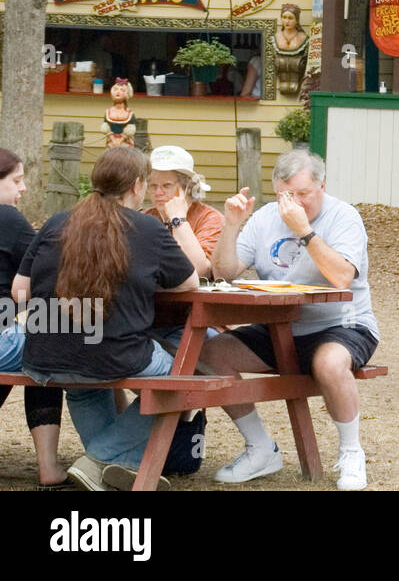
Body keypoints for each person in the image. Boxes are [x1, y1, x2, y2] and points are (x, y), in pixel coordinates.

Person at [17, 147, 198, 491]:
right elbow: (189, 282)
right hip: (114, 354)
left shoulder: (57, 221)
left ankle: (108, 466)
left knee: (84, 388)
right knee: (183, 382)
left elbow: (20, 290)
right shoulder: (148, 229)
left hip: (45, 355)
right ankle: (100, 459)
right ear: (137, 185)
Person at [204, 150, 380, 490]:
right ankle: (260, 448)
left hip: (343, 324)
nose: (293, 203)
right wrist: (232, 224)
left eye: (302, 194)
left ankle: (351, 452)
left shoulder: (343, 217)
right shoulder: (266, 218)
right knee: (211, 353)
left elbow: (342, 277)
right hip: (280, 327)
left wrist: (305, 231)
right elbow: (223, 272)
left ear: (322, 186)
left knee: (329, 364)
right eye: (286, 195)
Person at [0, 149, 70, 489]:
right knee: (46, 344)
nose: (23, 188)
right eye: (16, 180)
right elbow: (47, 270)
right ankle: (48, 466)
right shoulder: (8, 219)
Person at [144, 145, 223, 274]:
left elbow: (198, 269)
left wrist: (178, 219)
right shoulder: (146, 217)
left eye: (166, 185)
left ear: (188, 187)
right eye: (153, 186)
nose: (158, 192)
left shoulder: (209, 218)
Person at [275, 4, 310, 96]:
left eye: (290, 18)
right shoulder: (276, 37)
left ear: (297, 20)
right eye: (284, 17)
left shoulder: (303, 38)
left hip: (297, 82)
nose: (287, 21)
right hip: (281, 81)